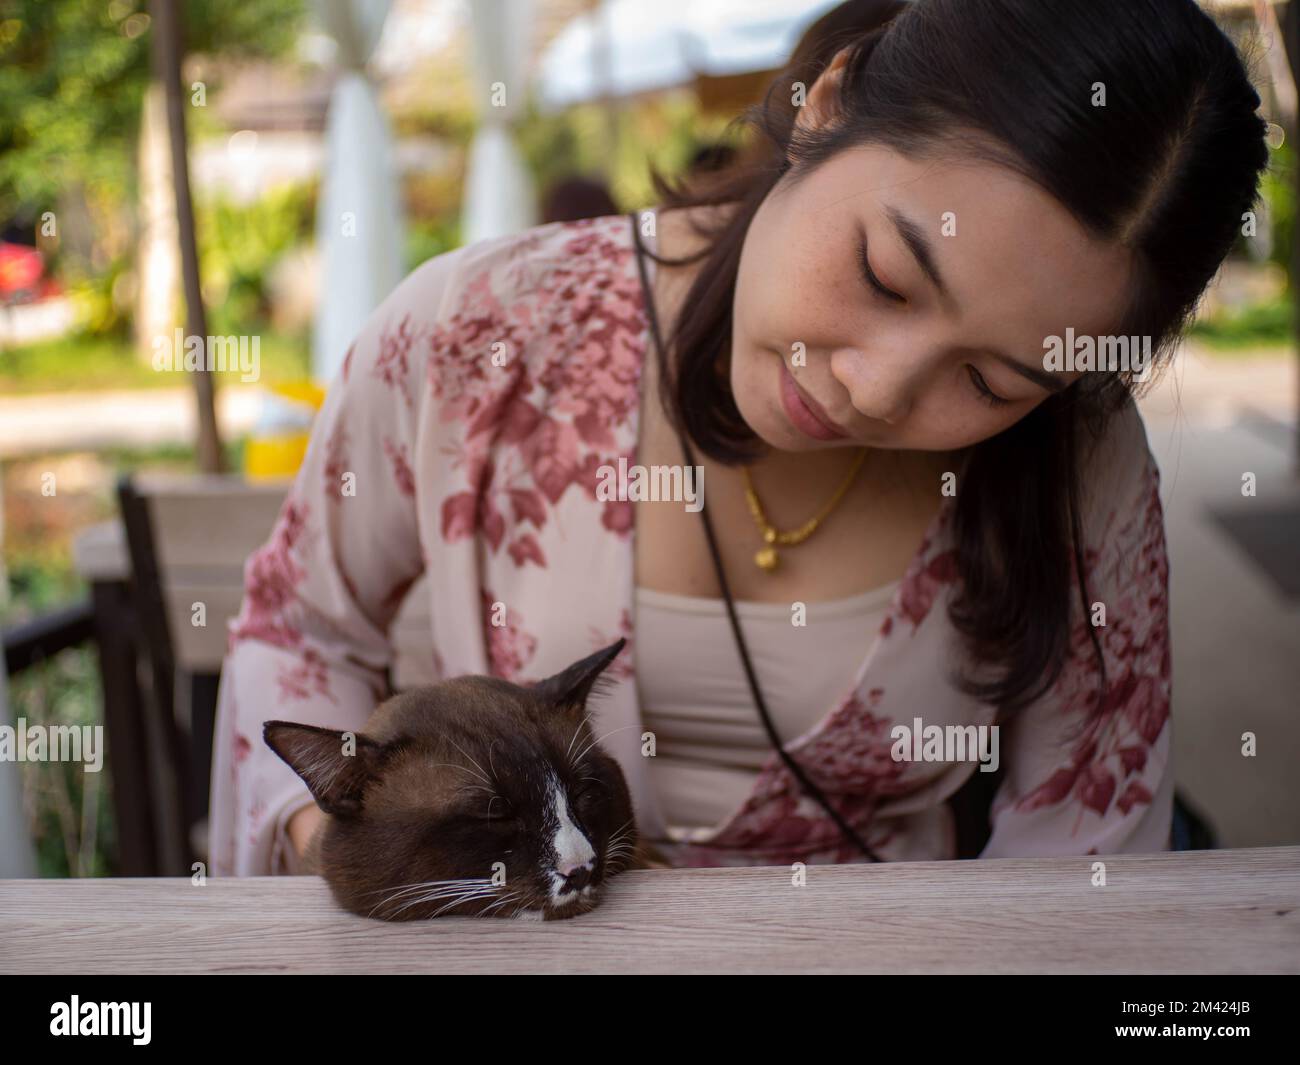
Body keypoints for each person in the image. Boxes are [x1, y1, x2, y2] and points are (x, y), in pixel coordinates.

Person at [209, 0, 1269, 874]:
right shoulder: (479, 328)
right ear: (829, 101)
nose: (874, 390)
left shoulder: (1078, 451)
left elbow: (1082, 843)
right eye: (884, 276)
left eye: (990, 380)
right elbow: (296, 628)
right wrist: (333, 837)